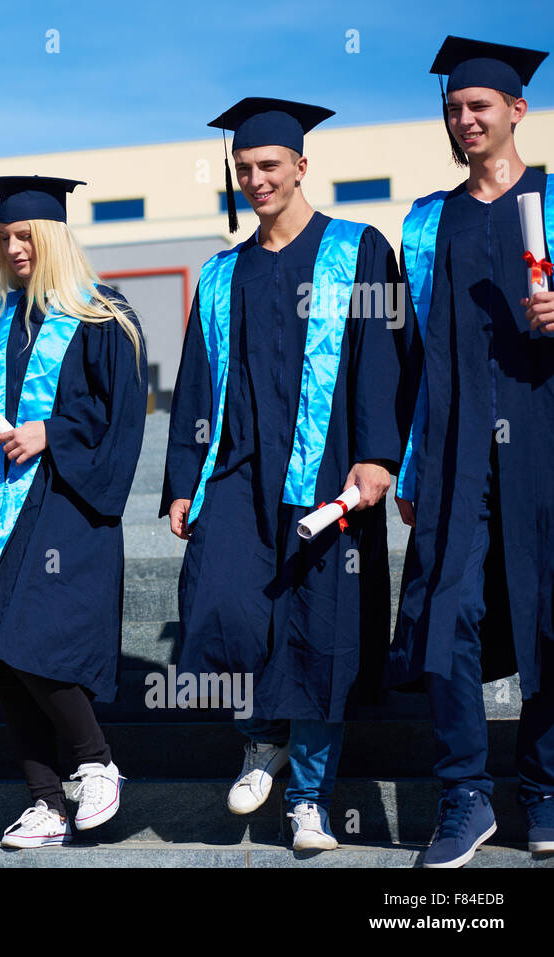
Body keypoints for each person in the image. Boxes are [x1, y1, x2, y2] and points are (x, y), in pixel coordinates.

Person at [162, 99, 406, 852]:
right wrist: (179, 478)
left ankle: (308, 798)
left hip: (327, 472)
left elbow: (381, 357)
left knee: (318, 629)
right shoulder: (220, 272)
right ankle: (258, 736)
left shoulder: (357, 249)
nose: (256, 179)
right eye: (244, 169)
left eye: (269, 166)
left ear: (302, 166)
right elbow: (198, 380)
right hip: (235, 469)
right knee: (220, 603)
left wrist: (378, 455)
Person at [0, 175, 147, 848]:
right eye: (5, 236)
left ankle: (96, 761)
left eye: (26, 234)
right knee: (1, 654)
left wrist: (51, 432)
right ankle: (45, 802)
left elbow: (118, 423)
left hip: (64, 501)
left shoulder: (101, 314)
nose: (14, 245)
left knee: (30, 636)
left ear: (55, 237)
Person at [389, 36, 554, 867]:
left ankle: (547, 792)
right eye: (454, 109)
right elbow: (408, 353)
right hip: (455, 450)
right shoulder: (428, 221)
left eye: (479, 106)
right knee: (446, 618)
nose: (464, 120)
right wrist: (406, 460)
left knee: (552, 621)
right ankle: (464, 795)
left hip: (545, 443)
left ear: (518, 110)